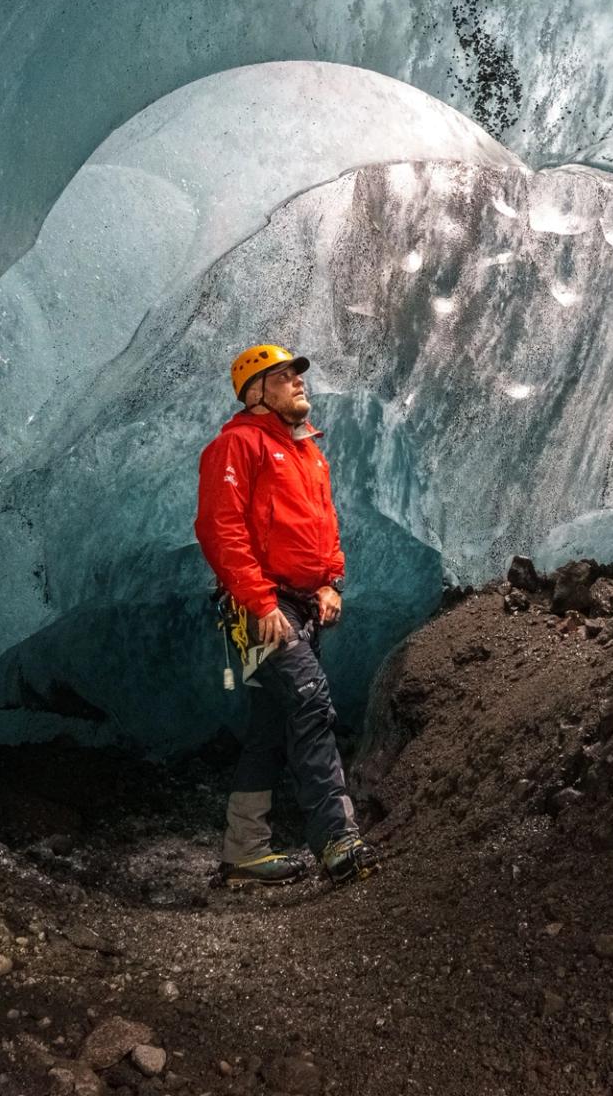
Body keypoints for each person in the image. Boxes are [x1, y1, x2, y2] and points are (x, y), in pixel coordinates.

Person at [194, 344, 381, 888]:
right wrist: (261, 601)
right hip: (261, 607)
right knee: (311, 701)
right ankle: (338, 840)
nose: (299, 381)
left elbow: (322, 523)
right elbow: (221, 529)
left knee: (273, 725)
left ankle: (244, 852)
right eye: (283, 376)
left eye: (298, 374)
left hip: (300, 602)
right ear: (255, 393)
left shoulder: (306, 451)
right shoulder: (236, 445)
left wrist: (329, 581)